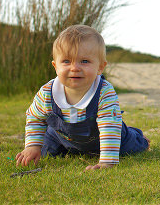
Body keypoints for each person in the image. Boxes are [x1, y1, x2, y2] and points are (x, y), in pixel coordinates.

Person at [15, 25, 149, 170]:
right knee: (45, 151)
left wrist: (106, 162)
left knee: (128, 146)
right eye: (66, 61)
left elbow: (109, 126)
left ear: (100, 67)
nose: (75, 68)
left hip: (103, 137)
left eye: (84, 61)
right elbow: (35, 118)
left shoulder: (104, 92)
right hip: (61, 138)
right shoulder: (47, 93)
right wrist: (33, 146)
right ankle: (65, 149)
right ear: (55, 66)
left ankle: (139, 138)